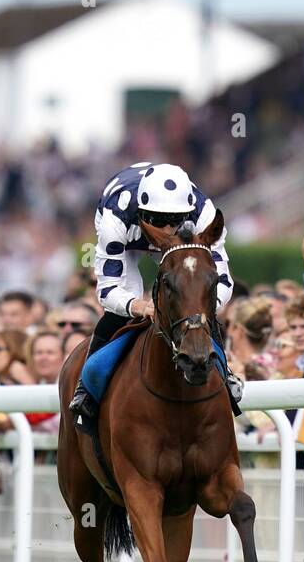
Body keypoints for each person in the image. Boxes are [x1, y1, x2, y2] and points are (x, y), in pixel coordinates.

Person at [68, 162, 240, 423]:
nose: (168, 230)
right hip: (128, 238)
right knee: (126, 305)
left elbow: (222, 280)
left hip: (173, 241)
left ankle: (224, 375)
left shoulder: (203, 216)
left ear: (187, 214)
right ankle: (86, 388)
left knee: (195, 298)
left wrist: (198, 306)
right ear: (143, 212)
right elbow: (107, 290)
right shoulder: (115, 220)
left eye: (174, 221)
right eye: (159, 221)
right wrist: (139, 306)